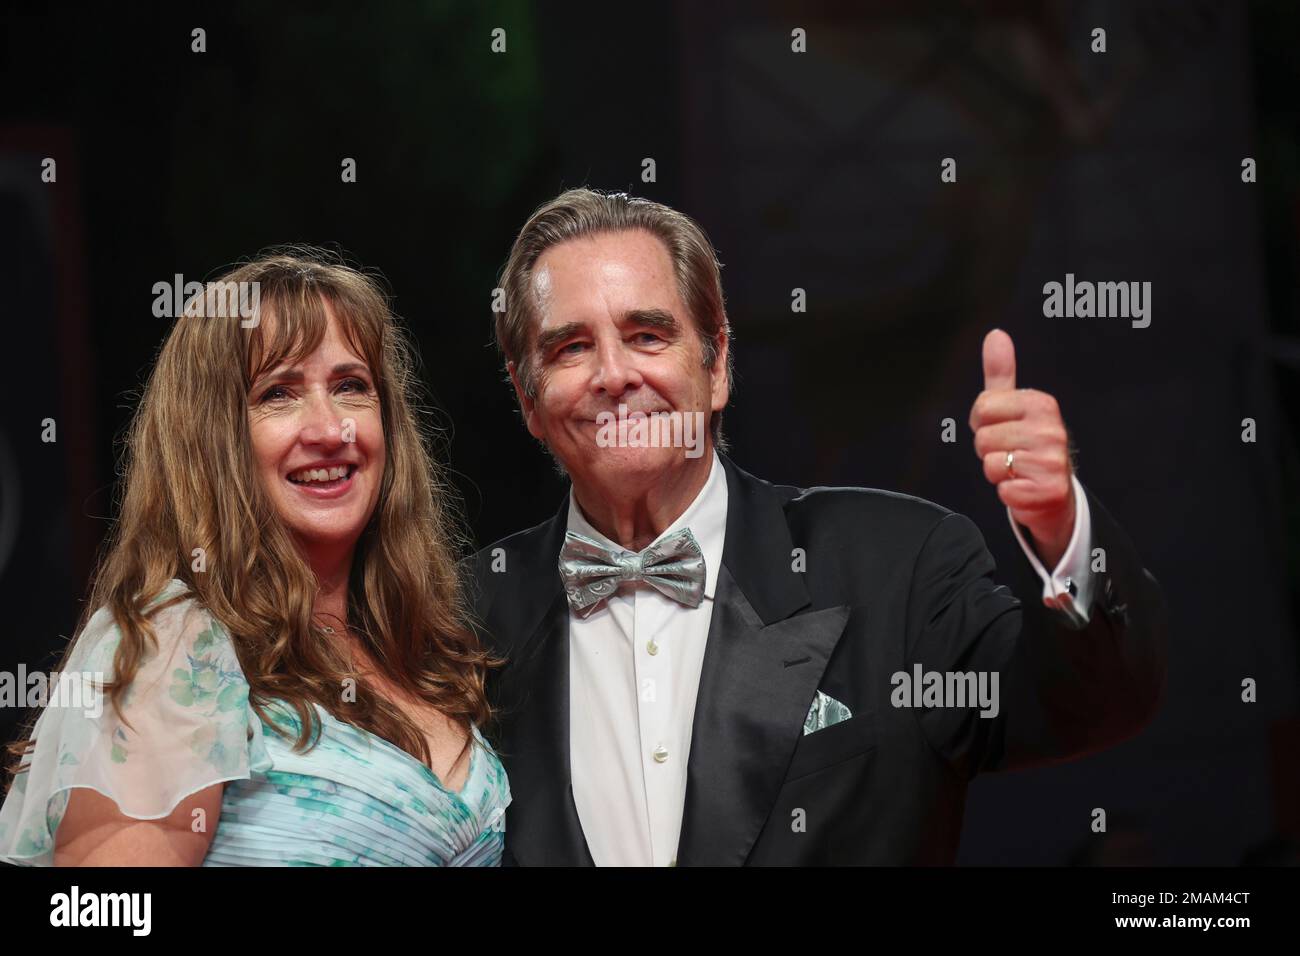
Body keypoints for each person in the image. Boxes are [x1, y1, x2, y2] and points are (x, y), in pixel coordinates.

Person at [472, 188, 1167, 865]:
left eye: (647, 336)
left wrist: (1059, 527)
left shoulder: (898, 567)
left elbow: (1094, 704)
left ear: (717, 368)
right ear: (528, 399)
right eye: (570, 349)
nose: (613, 374)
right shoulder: (462, 617)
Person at [1, 250, 509, 866]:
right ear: (213, 441)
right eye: (278, 394)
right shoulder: (174, 642)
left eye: (351, 387)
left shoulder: (425, 653)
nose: (330, 429)